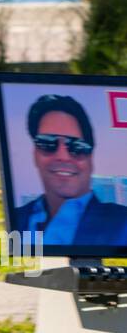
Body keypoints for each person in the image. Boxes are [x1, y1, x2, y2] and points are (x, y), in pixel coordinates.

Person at [14, 93, 127, 247]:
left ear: (90, 158)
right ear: (35, 153)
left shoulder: (122, 222)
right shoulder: (17, 218)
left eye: (77, 147)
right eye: (48, 143)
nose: (63, 156)